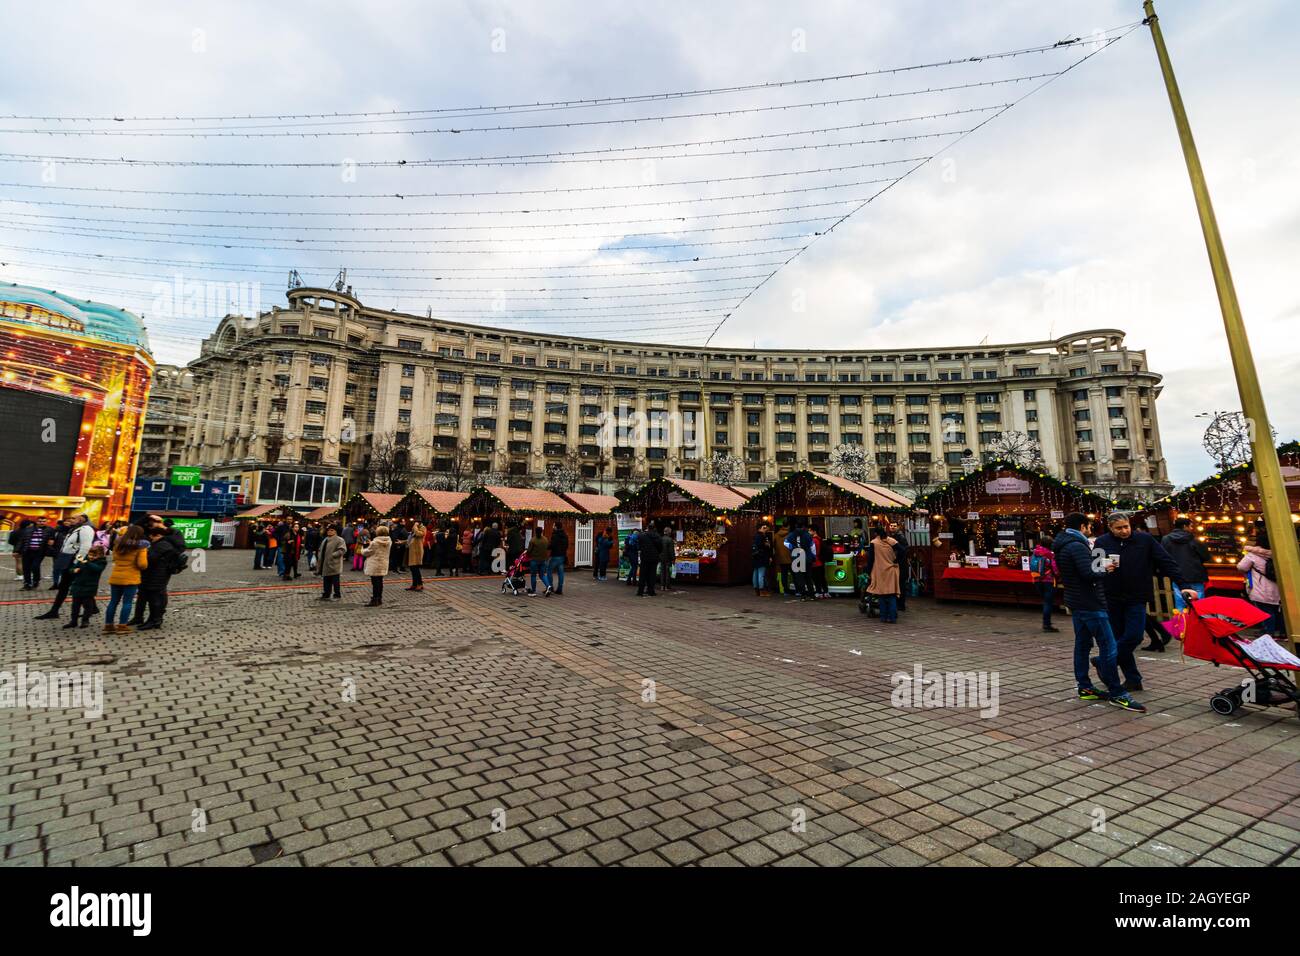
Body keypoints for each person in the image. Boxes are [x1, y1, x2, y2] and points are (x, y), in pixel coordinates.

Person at [1094, 512, 1197, 693]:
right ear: (1110, 528)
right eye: (1119, 528)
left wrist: (1184, 585)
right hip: (1112, 596)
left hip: (1137, 595)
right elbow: (1095, 566)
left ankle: (1105, 661)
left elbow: (1166, 562)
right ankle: (1133, 679)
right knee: (1119, 638)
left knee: (1134, 636)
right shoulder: (1102, 542)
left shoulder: (1144, 540)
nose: (1125, 531)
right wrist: (1103, 568)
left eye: (1126, 526)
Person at [1052, 513, 1144, 712]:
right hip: (1090, 603)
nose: (1090, 529)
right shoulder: (1076, 545)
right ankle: (1116, 692)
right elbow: (1088, 574)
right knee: (1108, 647)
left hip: (1076, 601)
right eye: (1089, 525)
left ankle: (1084, 686)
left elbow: (1079, 571)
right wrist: (1107, 569)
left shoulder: (1063, 543)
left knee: (1083, 645)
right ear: (1083, 526)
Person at [34, 514, 95, 621]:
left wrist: (77, 561)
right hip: (67, 559)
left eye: (73, 518)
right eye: (70, 518)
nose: (70, 520)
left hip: (73, 560)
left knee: (68, 586)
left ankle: (54, 611)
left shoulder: (86, 529)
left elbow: (85, 547)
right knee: (71, 585)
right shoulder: (75, 529)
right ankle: (93, 608)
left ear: (82, 520)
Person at [1238, 524, 1283, 637]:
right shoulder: (1279, 554)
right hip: (1277, 587)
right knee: (1276, 610)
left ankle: (1268, 632)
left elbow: (1241, 567)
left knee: (1265, 610)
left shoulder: (1252, 555)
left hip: (1260, 586)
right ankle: (1281, 631)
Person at [104, 525, 148, 634]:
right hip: (131, 577)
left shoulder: (118, 544)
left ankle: (108, 625)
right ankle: (122, 626)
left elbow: (114, 558)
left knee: (113, 601)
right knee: (127, 602)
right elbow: (142, 564)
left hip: (116, 576)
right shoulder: (141, 546)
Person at [138, 524, 182, 631]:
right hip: (158, 575)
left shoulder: (162, 545)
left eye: (152, 536)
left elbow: (151, 559)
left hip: (157, 575)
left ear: (157, 535)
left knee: (155, 600)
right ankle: (154, 620)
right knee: (156, 598)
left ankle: (154, 620)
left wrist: (144, 552)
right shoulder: (164, 544)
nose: (150, 538)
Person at [1163, 516, 1211, 612]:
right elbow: (1206, 557)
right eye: (1190, 526)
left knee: (1180, 602)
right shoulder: (1193, 539)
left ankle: (1182, 625)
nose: (1191, 528)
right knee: (1199, 604)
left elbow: (1164, 557)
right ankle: (1198, 624)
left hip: (1177, 576)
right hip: (1195, 575)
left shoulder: (1166, 539)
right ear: (1185, 526)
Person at [64, 544, 107, 629]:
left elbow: (97, 569)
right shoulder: (83, 560)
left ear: (100, 555)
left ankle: (85, 620)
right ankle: (73, 621)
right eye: (90, 555)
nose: (91, 557)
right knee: (75, 605)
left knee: (87, 606)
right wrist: (74, 570)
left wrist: (87, 563)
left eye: (94, 556)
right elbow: (72, 569)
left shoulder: (101, 562)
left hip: (90, 587)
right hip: (77, 585)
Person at [865, 525, 901, 623]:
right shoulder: (892, 541)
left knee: (882, 595)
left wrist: (868, 572)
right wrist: (896, 560)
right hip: (892, 571)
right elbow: (903, 550)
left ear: (876, 533)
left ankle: (883, 617)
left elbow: (870, 560)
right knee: (892, 595)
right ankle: (893, 618)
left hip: (879, 572)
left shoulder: (874, 543)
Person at [1029, 534, 1060, 633]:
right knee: (1048, 602)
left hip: (1037, 579)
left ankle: (1046, 623)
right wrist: (1058, 576)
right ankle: (1047, 624)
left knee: (1045, 601)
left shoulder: (1035, 552)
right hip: (1048, 581)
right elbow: (1055, 569)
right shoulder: (1049, 554)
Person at [17, 517, 52, 590]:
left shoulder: (50, 530)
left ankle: (36, 580)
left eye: (43, 521)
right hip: (27, 551)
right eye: (40, 521)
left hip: (39, 552)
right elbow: (21, 540)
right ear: (36, 522)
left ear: (46, 522)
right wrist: (17, 550)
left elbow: (53, 539)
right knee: (26, 568)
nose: (41, 523)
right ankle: (27, 584)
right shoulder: (28, 529)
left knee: (35, 566)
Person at [783, 521, 814, 601]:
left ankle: (803, 596)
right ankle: (812, 596)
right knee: (808, 577)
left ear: (796, 526)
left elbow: (785, 543)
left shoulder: (791, 534)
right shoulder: (807, 535)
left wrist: (792, 547)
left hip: (796, 558)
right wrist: (813, 556)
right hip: (806, 557)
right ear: (803, 527)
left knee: (799, 578)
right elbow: (812, 546)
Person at [362, 525, 391, 607]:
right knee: (380, 581)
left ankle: (375, 599)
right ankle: (379, 598)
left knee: (375, 582)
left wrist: (363, 548)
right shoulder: (389, 541)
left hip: (374, 564)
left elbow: (367, 552)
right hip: (383, 563)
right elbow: (378, 547)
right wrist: (371, 543)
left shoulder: (375, 542)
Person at [316, 525, 346, 600]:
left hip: (334, 563)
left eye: (331, 530)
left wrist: (333, 555)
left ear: (335, 531)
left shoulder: (339, 540)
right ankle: (326, 593)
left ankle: (337, 594)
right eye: (328, 530)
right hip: (325, 563)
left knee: (335, 580)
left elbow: (342, 550)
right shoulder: (325, 539)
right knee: (326, 579)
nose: (329, 531)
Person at [636, 523, 660, 597]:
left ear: (648, 528)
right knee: (652, 575)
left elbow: (638, 546)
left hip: (645, 557)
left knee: (643, 575)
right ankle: (651, 591)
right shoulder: (657, 536)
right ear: (654, 528)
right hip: (654, 558)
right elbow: (660, 547)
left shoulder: (641, 536)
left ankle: (640, 591)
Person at [546, 523, 569, 596]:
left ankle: (550, 587)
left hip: (555, 555)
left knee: (549, 570)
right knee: (561, 573)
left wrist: (547, 547)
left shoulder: (555, 535)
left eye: (553, 525)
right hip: (562, 556)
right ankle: (559, 589)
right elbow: (567, 545)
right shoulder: (565, 535)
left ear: (556, 526)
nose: (552, 526)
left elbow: (552, 545)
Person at [891, 523, 910, 611]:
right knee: (899, 585)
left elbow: (904, 550)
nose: (892, 527)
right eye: (891, 526)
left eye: (894, 526)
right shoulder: (894, 536)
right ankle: (899, 604)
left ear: (898, 527)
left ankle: (901, 605)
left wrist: (896, 559)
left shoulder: (900, 536)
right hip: (899, 565)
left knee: (901, 585)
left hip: (901, 565)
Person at [526, 528, 550, 594]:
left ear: (535, 532)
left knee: (533, 575)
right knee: (542, 575)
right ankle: (548, 585)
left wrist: (528, 555)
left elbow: (529, 551)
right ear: (542, 532)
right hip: (543, 560)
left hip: (534, 560)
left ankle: (533, 590)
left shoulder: (533, 540)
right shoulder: (545, 539)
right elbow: (547, 548)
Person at [751, 523, 772, 596]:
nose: (766, 529)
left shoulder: (755, 536)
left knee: (756, 573)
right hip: (762, 557)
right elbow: (764, 546)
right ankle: (762, 590)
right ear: (759, 528)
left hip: (755, 556)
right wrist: (766, 545)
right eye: (764, 527)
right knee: (761, 574)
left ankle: (756, 590)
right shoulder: (762, 536)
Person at [774, 523, 793, 595]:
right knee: (795, 575)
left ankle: (786, 591)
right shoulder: (791, 535)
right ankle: (798, 590)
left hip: (781, 558)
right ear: (788, 526)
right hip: (791, 558)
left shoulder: (776, 535)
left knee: (784, 575)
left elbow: (773, 545)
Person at [406, 519, 425, 591]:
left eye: (415, 523)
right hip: (412, 551)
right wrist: (402, 542)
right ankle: (414, 584)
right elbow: (410, 539)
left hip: (417, 551)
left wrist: (415, 526)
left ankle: (420, 584)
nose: (414, 524)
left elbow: (418, 534)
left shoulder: (423, 528)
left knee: (416, 569)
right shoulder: (415, 530)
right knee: (412, 569)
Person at [810, 526, 829, 599]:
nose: (809, 532)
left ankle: (819, 592)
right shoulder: (820, 539)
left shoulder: (814, 540)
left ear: (814, 531)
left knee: (816, 578)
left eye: (810, 530)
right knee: (822, 578)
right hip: (821, 561)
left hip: (815, 562)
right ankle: (826, 592)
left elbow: (814, 551)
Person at [659, 524, 676, 592]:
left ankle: (662, 586)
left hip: (661, 557)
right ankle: (667, 586)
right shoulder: (670, 540)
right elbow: (671, 551)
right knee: (667, 572)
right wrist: (673, 558)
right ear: (669, 532)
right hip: (667, 558)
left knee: (662, 572)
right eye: (670, 531)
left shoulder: (661, 539)